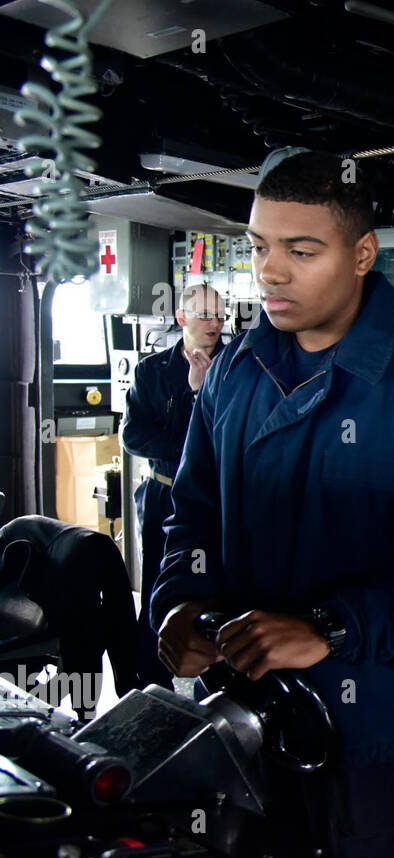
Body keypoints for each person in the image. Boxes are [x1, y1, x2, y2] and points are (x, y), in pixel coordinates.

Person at [149, 148, 394, 858]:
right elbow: (190, 513)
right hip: (243, 706)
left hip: (378, 726)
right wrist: (179, 601)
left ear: (362, 253)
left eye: (301, 249)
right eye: (258, 246)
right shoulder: (231, 375)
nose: (270, 271)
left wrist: (331, 628)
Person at [120, 282, 226, 688]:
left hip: (215, 499)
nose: (214, 323)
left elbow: (232, 437)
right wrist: (189, 422)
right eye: (205, 314)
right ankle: (149, 681)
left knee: (216, 584)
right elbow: (134, 437)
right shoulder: (153, 371)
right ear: (182, 318)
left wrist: (203, 394)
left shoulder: (236, 366)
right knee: (157, 585)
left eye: (219, 315)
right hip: (164, 493)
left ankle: (216, 674)